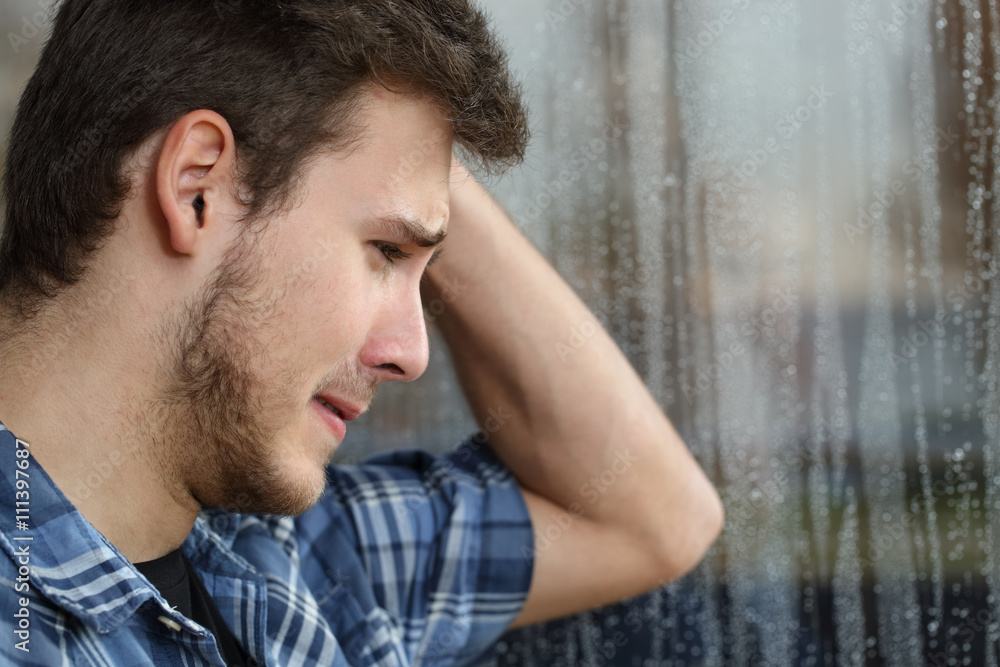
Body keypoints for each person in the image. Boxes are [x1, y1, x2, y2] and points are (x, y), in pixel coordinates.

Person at [0, 1, 724, 664]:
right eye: (387, 252)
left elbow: (655, 518)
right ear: (196, 188)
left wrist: (411, 153)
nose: (410, 353)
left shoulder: (296, 565)